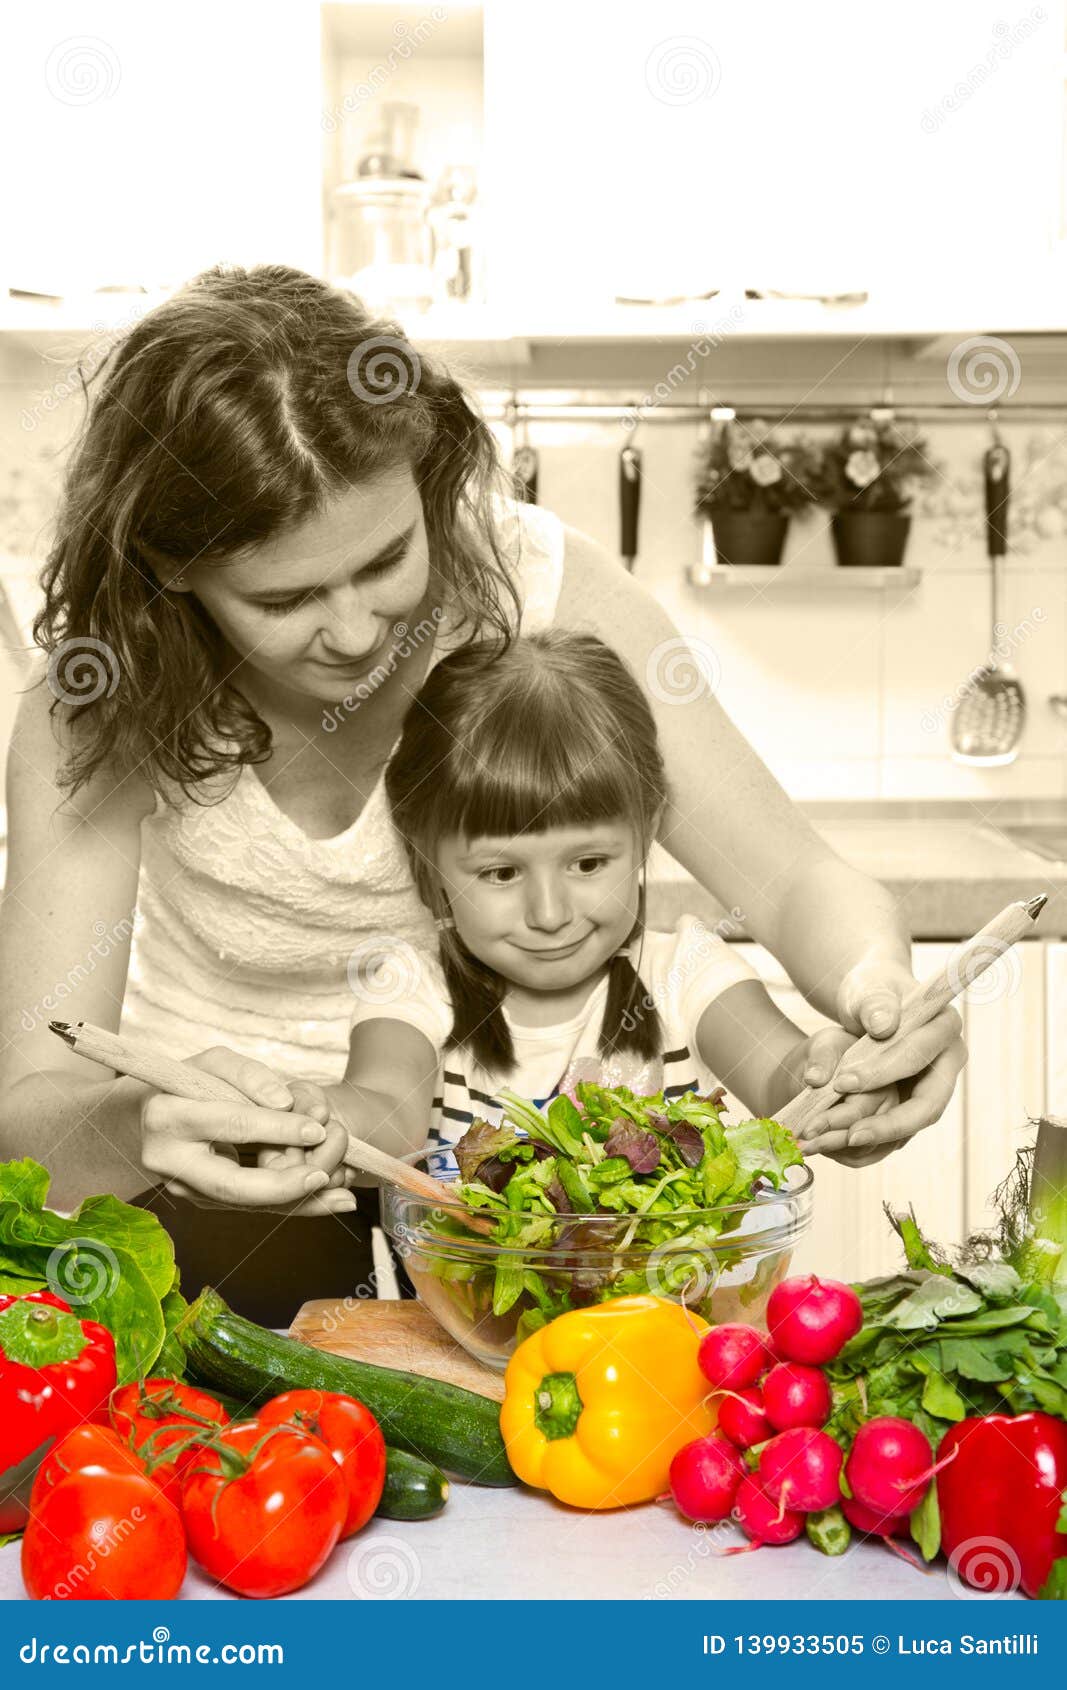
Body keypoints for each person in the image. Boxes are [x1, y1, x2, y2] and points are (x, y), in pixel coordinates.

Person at [0, 264, 965, 1325]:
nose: (354, 631)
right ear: (171, 567)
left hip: (501, 1183)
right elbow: (31, 1111)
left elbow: (788, 880)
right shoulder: (100, 694)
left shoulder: (549, 594)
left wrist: (877, 993)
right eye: (284, 597)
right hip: (216, 1188)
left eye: (385, 559)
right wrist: (141, 1121)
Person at [294, 632, 901, 1191]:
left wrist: (834, 1077)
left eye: (587, 864)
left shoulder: (686, 973)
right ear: (426, 862)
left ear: (646, 829)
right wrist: (321, 1119)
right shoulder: (412, 990)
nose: (550, 913)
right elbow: (386, 1117)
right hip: (460, 1285)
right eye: (502, 873)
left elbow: (781, 1078)